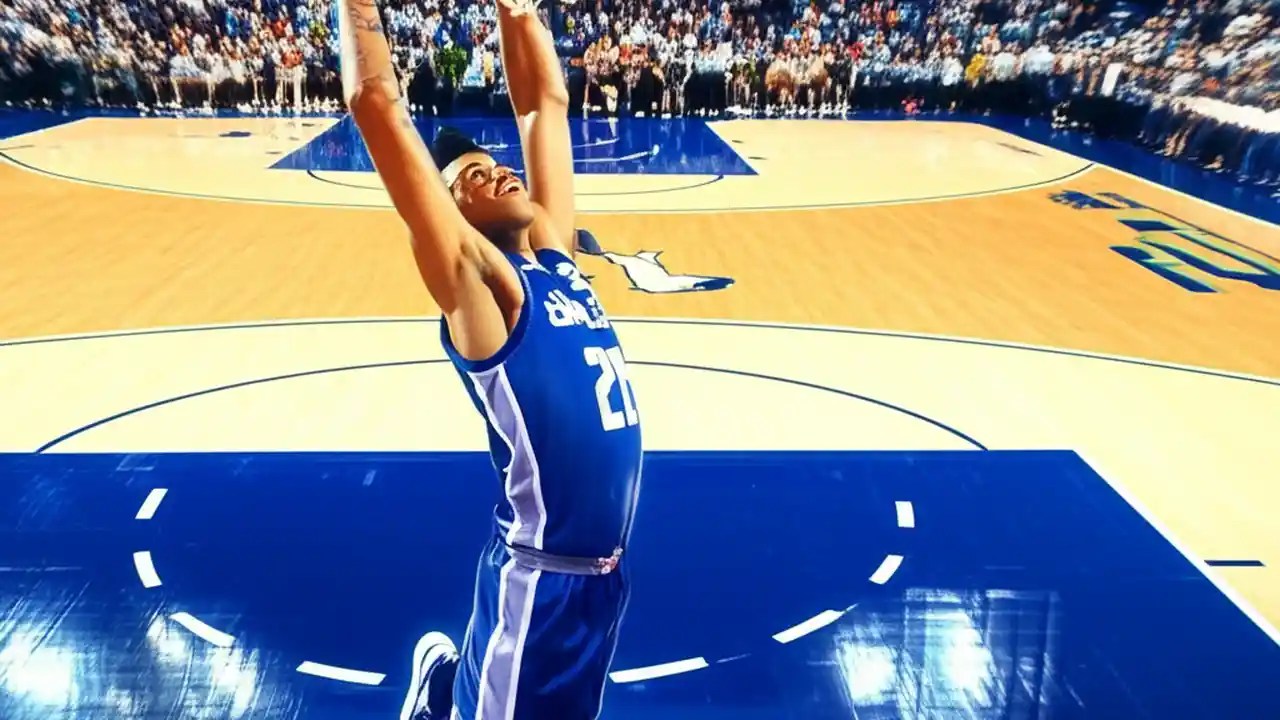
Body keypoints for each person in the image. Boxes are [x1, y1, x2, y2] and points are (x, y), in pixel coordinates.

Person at [335, 0, 644, 719]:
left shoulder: (556, 264)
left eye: (493, 164)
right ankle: (441, 699)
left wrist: (520, 12)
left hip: (600, 583)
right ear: (456, 217)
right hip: (541, 588)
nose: (497, 172)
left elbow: (544, 104)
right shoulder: (486, 288)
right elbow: (374, 100)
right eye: (470, 179)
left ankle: (447, 694)